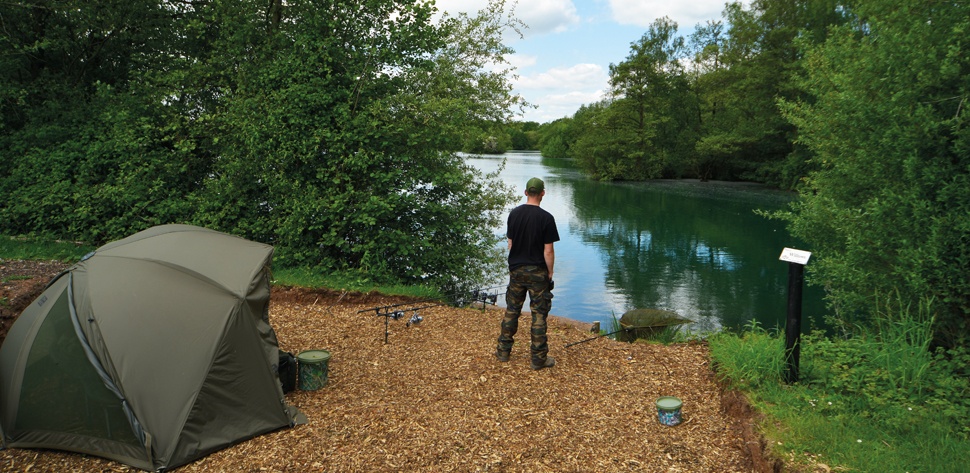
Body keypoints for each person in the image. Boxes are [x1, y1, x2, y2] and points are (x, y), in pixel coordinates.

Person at [495, 177, 560, 370]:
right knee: (539, 314)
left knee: (511, 310)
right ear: (543, 193)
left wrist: (516, 264)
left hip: (516, 270)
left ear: (525, 192)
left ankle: (503, 352)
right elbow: (548, 251)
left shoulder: (514, 214)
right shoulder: (546, 218)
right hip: (538, 272)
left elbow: (510, 243)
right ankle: (538, 359)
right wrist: (550, 272)